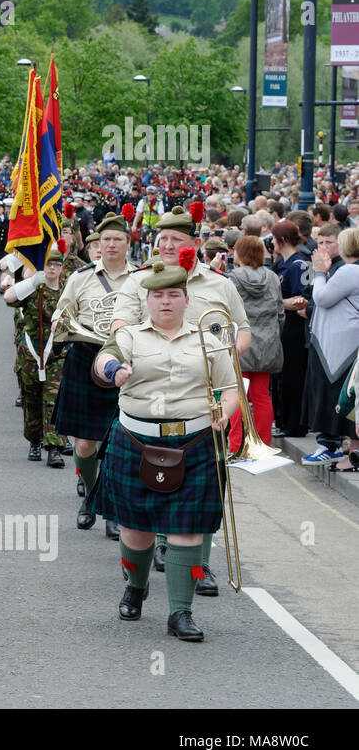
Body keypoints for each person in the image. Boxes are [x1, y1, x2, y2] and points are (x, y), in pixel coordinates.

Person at [90, 261, 239, 642]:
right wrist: (113, 372)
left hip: (193, 442)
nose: (166, 302)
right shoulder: (131, 337)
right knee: (135, 531)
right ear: (147, 301)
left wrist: (225, 411)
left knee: (186, 531)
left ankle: (181, 612)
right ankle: (136, 588)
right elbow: (103, 359)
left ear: (186, 300)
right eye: (158, 296)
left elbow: (231, 385)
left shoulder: (208, 338)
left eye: (174, 295)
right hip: (136, 441)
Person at [51, 213, 134, 533]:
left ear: (129, 243)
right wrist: (61, 323)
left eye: (118, 240)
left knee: (117, 443)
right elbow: (63, 314)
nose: (111, 245)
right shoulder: (81, 277)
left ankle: (110, 509)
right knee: (85, 446)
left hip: (126, 364)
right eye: (105, 240)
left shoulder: (140, 278)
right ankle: (91, 492)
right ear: (98, 244)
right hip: (85, 358)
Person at [301, 226, 359, 463]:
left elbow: (322, 298)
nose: (322, 247)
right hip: (344, 342)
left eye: (329, 243)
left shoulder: (349, 271)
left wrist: (318, 274)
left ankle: (331, 446)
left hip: (339, 346)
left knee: (335, 395)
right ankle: (344, 445)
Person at [6, 247, 67, 468]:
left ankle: (54, 448)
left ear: (61, 268)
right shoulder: (32, 290)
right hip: (31, 356)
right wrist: (32, 283)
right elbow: (9, 297)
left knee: (54, 400)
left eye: (56, 264)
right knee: (31, 401)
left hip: (57, 356)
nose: (51, 268)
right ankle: (35, 440)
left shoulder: (67, 292)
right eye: (48, 264)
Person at [227, 235, 283, 454]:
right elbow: (280, 313)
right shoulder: (271, 277)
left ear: (239, 254)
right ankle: (264, 445)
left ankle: (236, 445)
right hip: (267, 343)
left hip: (241, 341)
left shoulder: (233, 277)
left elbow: (228, 310)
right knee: (261, 395)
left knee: (238, 394)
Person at [270, 221, 311, 437]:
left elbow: (302, 298)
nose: (272, 242)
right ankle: (282, 419)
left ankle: (293, 423)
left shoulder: (299, 264)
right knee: (281, 376)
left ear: (282, 240)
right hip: (282, 325)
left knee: (292, 376)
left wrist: (280, 302)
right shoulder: (281, 263)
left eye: (274, 238)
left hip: (294, 328)